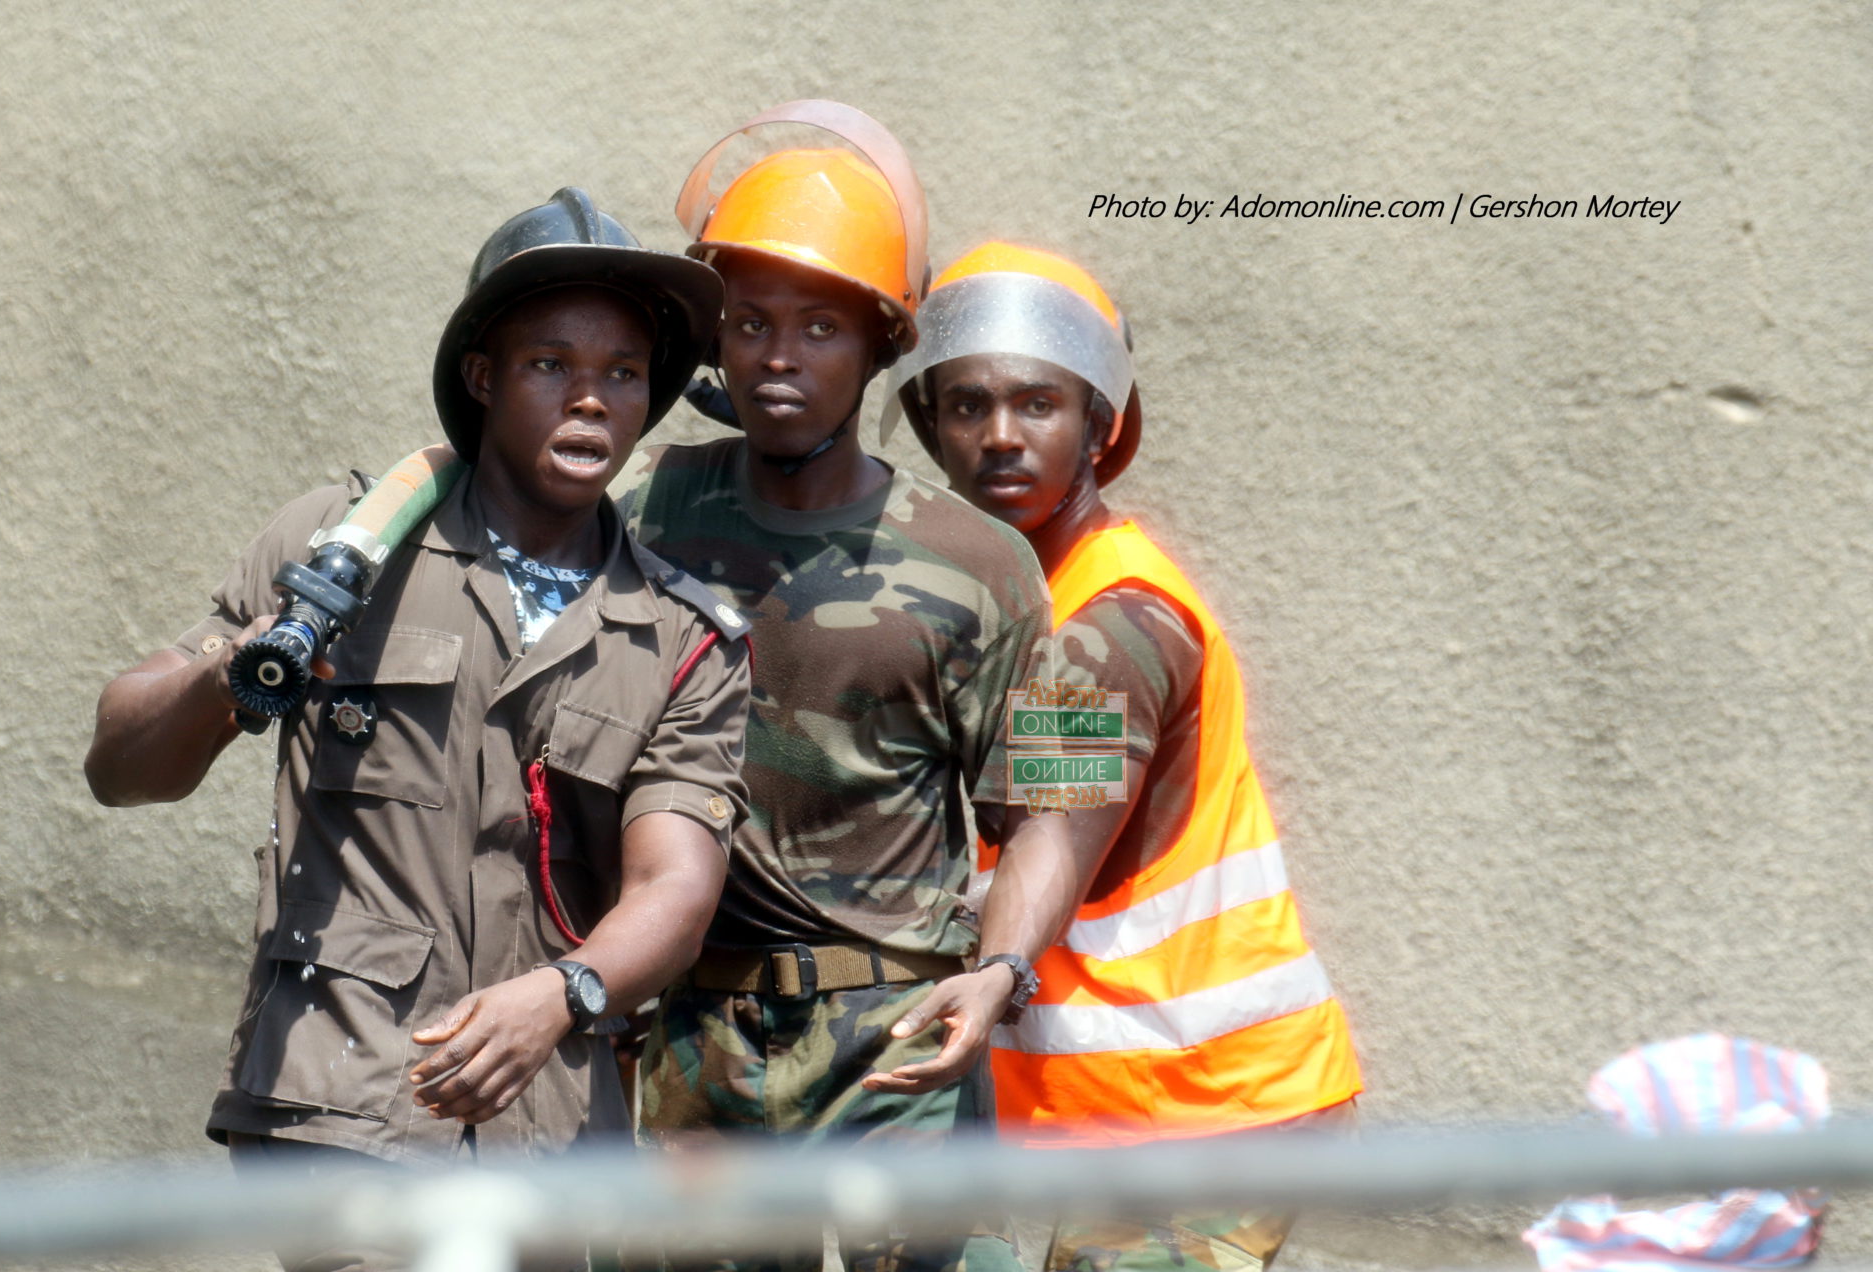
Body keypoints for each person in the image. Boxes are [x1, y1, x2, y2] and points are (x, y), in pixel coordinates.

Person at [84, 188, 752, 1271]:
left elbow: (674, 886)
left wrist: (567, 991)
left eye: (622, 374)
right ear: (483, 377)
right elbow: (122, 767)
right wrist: (235, 672)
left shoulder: (682, 637)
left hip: (548, 1139)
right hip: (341, 1113)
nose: (591, 402)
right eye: (550, 366)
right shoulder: (341, 545)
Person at [618, 103, 1064, 1272]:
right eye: (752, 323)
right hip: (696, 1035)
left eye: (820, 326)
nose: (778, 356)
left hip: (899, 1043)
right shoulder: (648, 517)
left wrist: (1003, 977)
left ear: (878, 346)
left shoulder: (986, 566)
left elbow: (1049, 815)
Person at [888, 242, 1364, 1272]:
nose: (1000, 437)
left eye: (1037, 405)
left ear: (1099, 426)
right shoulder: (1002, 596)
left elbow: (1054, 829)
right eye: (966, 406)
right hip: (1117, 1102)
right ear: (929, 423)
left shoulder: (1108, 626)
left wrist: (988, 963)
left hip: (1201, 1110)